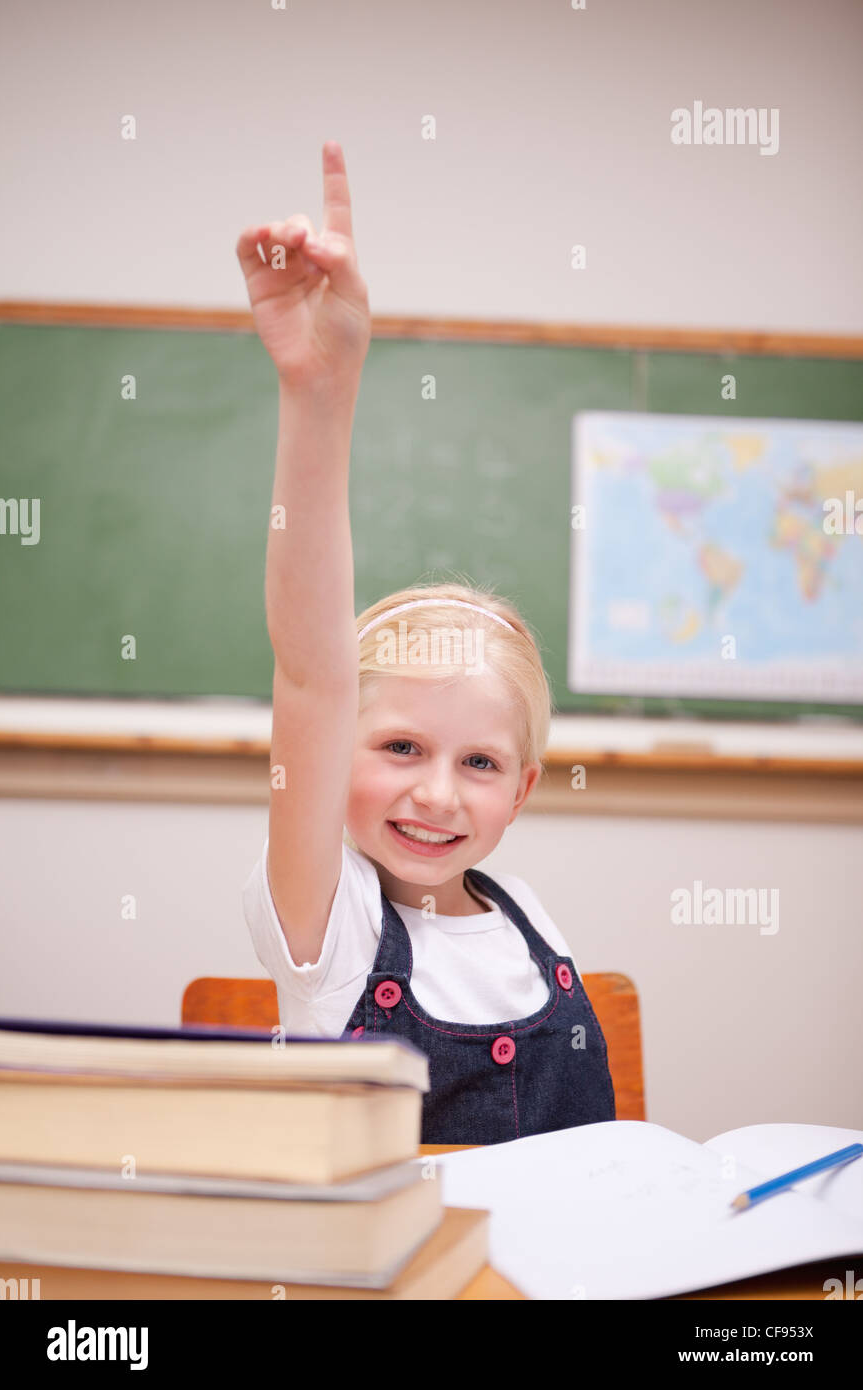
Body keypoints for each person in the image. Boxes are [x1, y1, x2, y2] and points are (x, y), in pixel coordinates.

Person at [236, 142, 615, 1144]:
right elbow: (313, 674)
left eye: (479, 762)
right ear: (336, 759)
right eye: (400, 745)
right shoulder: (330, 923)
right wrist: (321, 391)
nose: (437, 793)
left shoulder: (525, 919)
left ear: (523, 789)